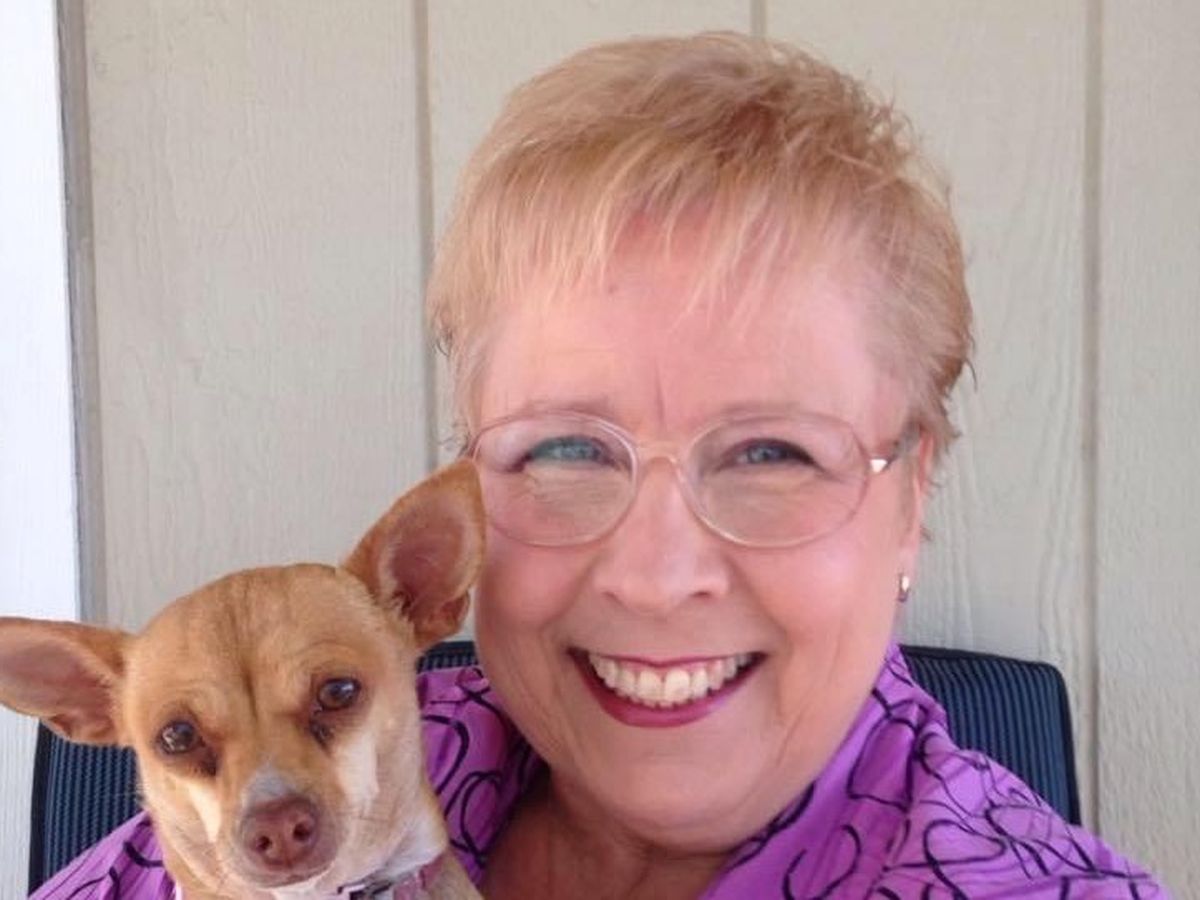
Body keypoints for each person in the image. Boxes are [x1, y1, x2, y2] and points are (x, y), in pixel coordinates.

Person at [36, 32, 1162, 899]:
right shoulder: (292, 802)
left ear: (910, 495)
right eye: (567, 449)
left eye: (772, 452)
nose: (656, 576)